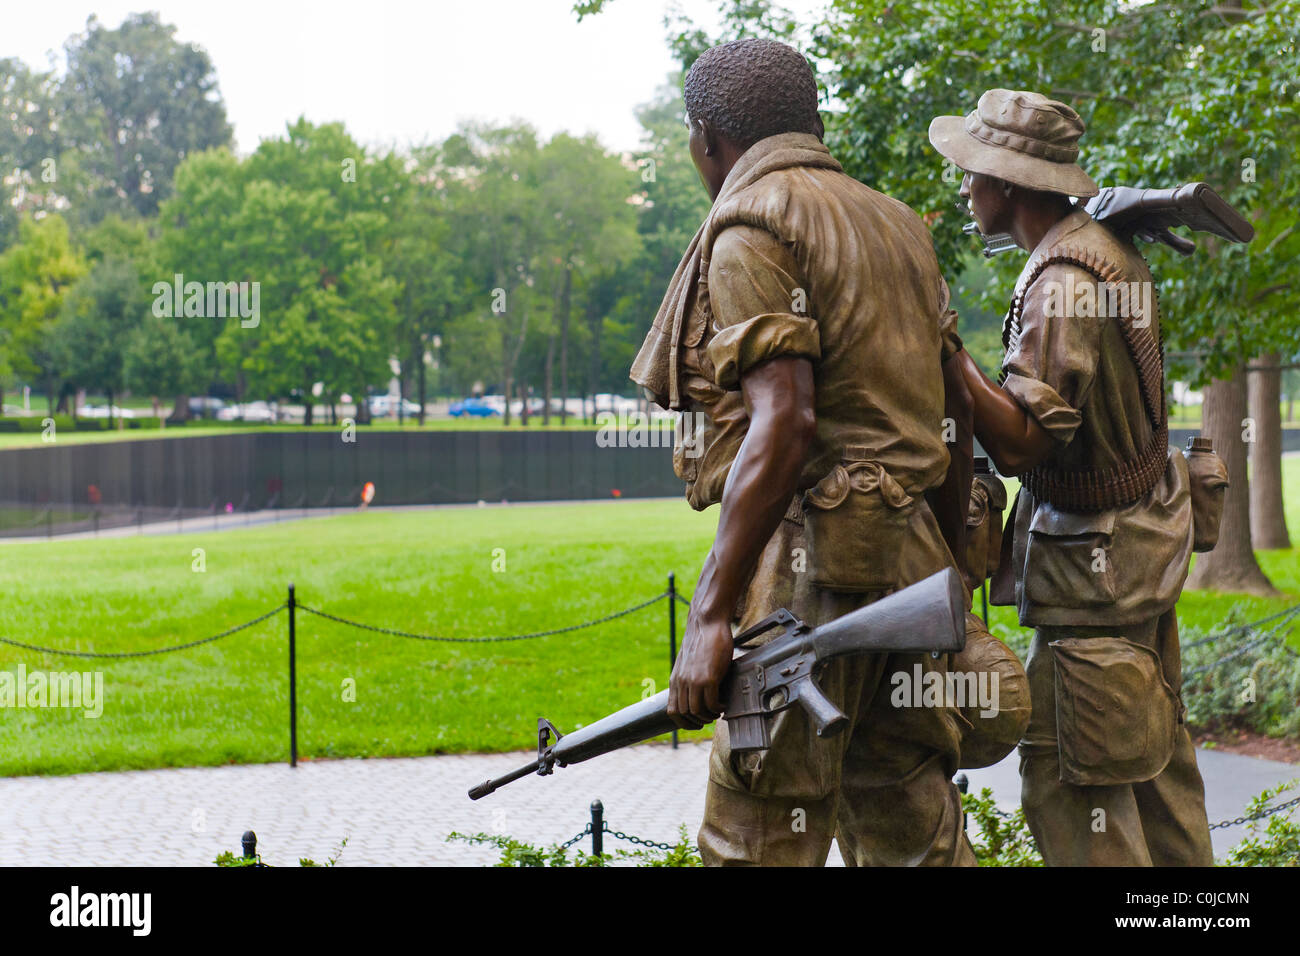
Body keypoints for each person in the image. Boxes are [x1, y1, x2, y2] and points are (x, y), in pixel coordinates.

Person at [630, 37, 974, 866]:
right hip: (909, 573)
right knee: (912, 830)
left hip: (805, 580)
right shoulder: (899, 226)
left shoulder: (754, 224)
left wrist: (710, 614)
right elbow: (954, 410)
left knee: (758, 833)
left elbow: (782, 422)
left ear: (707, 138)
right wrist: (950, 563)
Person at [928, 89, 1214, 866]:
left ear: (1010, 185)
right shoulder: (1101, 250)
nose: (965, 189)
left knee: (1073, 775)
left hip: (1098, 573)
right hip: (1135, 555)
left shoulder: (1063, 282)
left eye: (973, 173)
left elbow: (1022, 443)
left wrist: (947, 348)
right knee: (1153, 762)